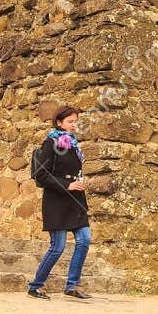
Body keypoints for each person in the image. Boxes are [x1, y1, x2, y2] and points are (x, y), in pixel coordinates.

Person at [27, 105, 93, 300]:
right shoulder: (52, 143)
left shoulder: (72, 144)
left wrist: (78, 183)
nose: (74, 125)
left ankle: (72, 285)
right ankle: (35, 286)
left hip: (75, 201)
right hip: (57, 201)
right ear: (59, 122)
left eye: (76, 121)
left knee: (85, 239)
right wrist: (68, 185)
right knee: (58, 247)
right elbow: (40, 174)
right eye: (70, 122)